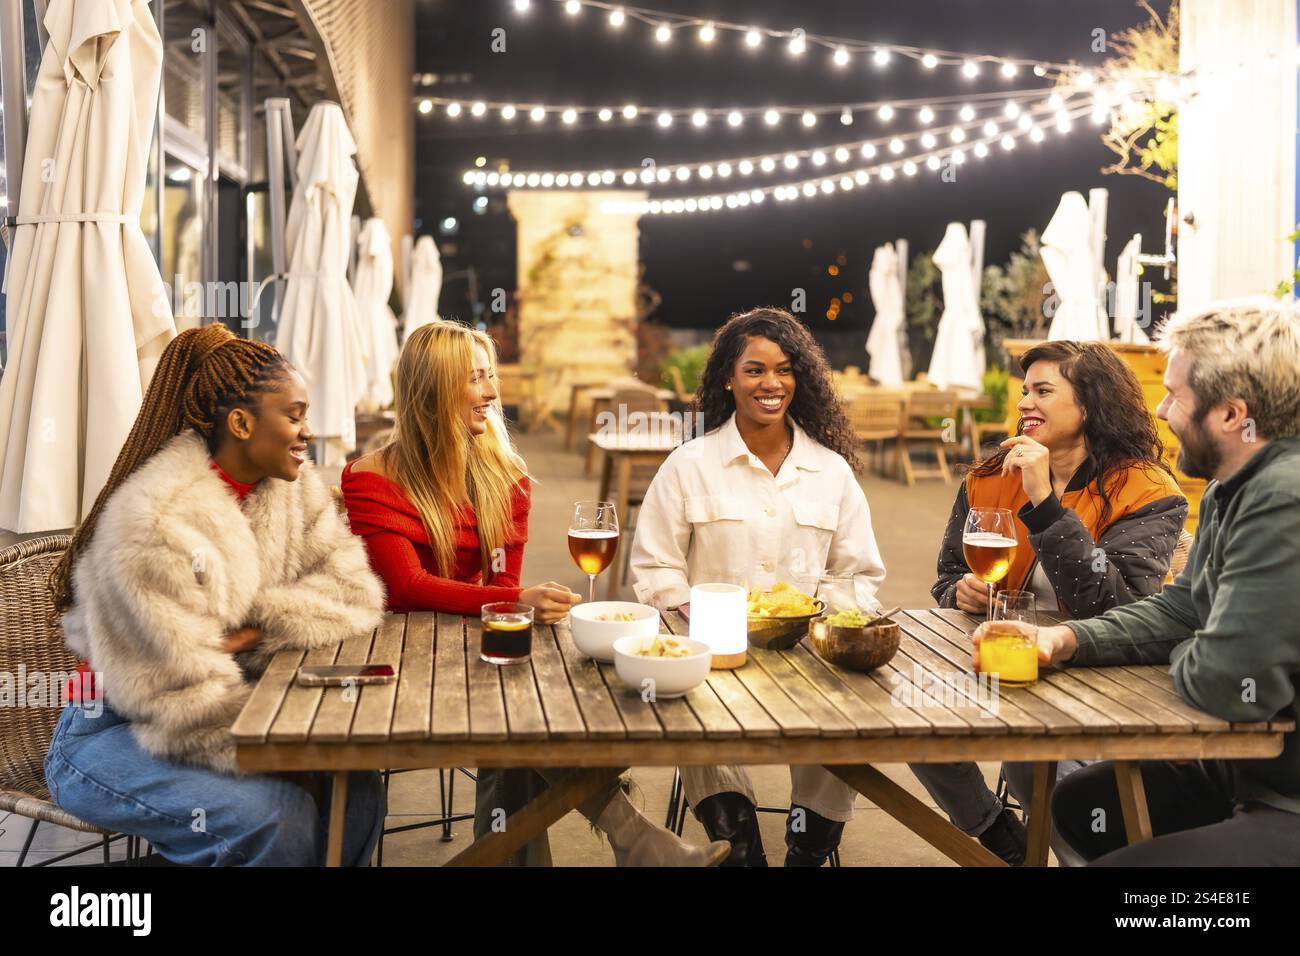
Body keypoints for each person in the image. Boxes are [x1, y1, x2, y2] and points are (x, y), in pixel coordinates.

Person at [343, 321, 728, 867]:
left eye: (490, 377)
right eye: (475, 379)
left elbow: (501, 586)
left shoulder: (505, 476)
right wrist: (513, 600)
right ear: (433, 389)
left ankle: (625, 843)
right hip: (399, 660)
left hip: (472, 646)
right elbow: (407, 586)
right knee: (519, 719)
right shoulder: (370, 478)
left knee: (526, 707)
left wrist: (513, 601)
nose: (492, 393)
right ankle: (634, 838)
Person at [43, 325, 387, 866]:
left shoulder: (293, 490)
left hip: (235, 701)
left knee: (356, 784)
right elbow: (181, 695)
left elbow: (355, 592)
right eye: (294, 415)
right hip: (111, 733)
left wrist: (250, 621)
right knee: (275, 814)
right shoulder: (156, 521)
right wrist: (301, 739)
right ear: (242, 422)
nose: (308, 431)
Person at [994, 299, 1300, 866]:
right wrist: (1069, 640)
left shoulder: (1283, 497)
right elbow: (1182, 611)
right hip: (1244, 769)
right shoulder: (1228, 489)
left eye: (1176, 395)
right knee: (1077, 805)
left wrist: (1199, 648)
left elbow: (1229, 682)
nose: (1160, 411)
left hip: (1287, 796)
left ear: (1232, 415)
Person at [913, 341, 1187, 864]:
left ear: (1090, 404)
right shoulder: (990, 476)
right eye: (1023, 392)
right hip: (999, 659)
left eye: (1043, 391)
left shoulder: (1146, 489)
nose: (1025, 405)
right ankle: (998, 834)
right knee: (915, 711)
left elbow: (1115, 608)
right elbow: (949, 572)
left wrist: (1043, 501)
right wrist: (959, 590)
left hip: (1091, 671)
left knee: (1040, 768)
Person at [631, 307, 886, 867]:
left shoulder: (831, 472)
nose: (771, 383)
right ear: (728, 377)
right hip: (713, 657)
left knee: (848, 719)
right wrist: (693, 612)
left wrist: (822, 613)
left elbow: (860, 575)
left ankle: (808, 853)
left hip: (809, 655)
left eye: (785, 370)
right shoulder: (688, 465)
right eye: (754, 370)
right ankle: (741, 852)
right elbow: (655, 570)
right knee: (695, 713)